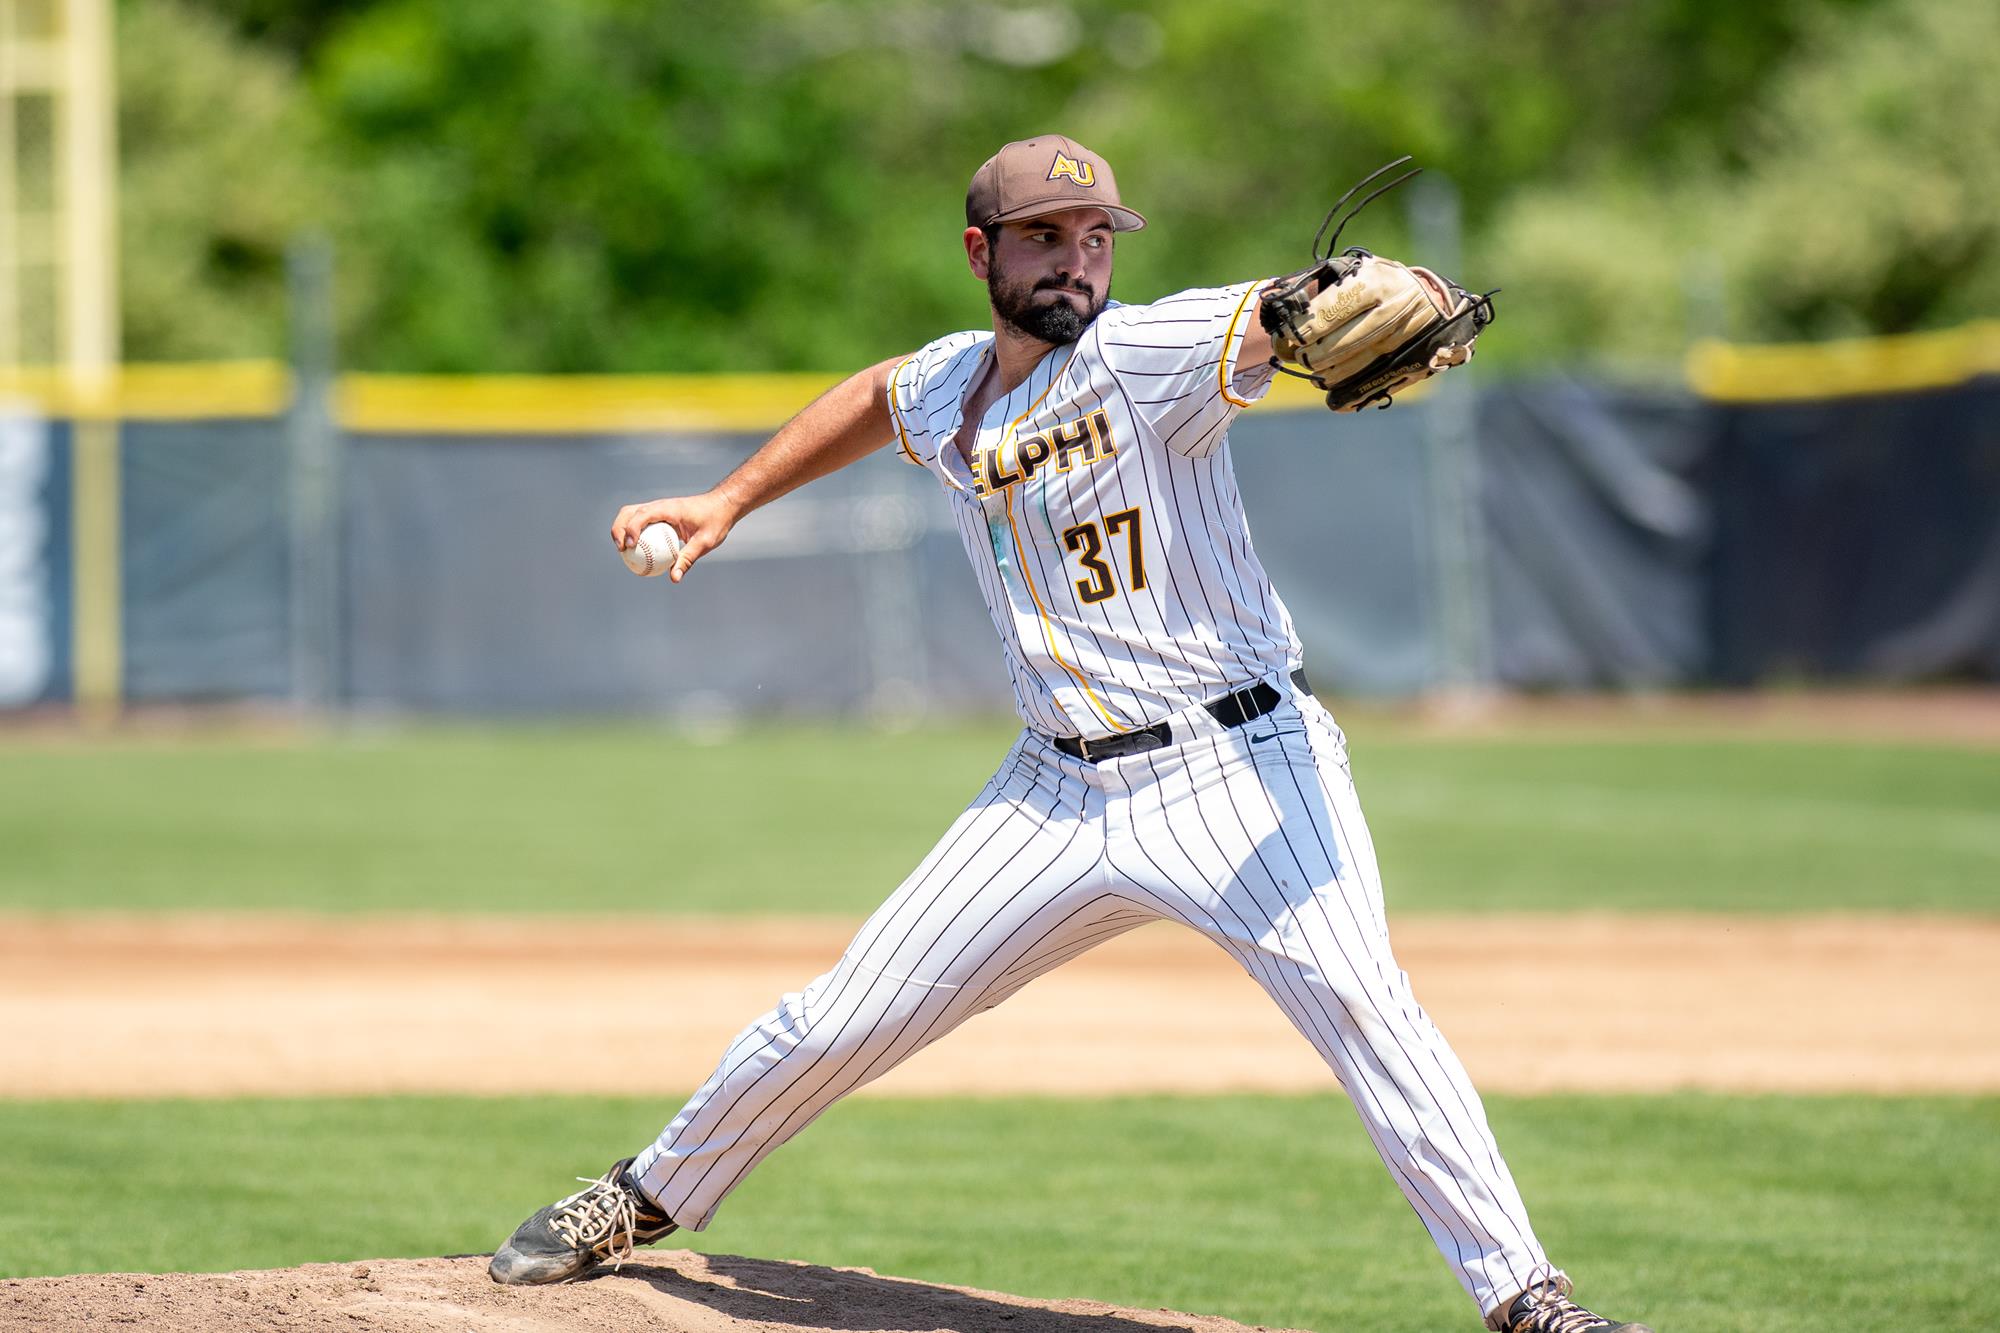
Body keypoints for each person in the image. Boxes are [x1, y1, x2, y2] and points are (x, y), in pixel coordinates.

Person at [488, 136, 1652, 1333]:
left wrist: (1319, 303)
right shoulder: (951, 383)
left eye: (1094, 237)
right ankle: (643, 1194)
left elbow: (1255, 318)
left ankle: (1527, 1303)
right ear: (980, 252)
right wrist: (726, 499)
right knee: (844, 1013)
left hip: (1238, 766)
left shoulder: (1144, 354)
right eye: (1045, 237)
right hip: (1049, 792)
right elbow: (880, 392)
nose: (1075, 263)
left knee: (1367, 1007)